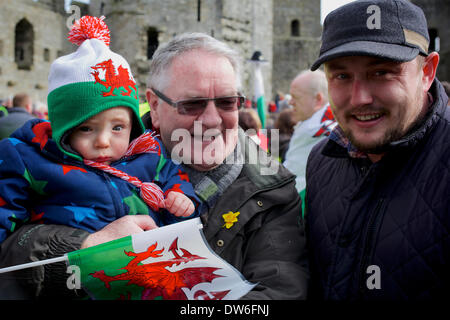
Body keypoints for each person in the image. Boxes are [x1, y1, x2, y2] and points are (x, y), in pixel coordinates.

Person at [0, 32, 308, 300]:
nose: (213, 119)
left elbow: (279, 291)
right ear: (155, 106)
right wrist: (88, 245)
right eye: (193, 104)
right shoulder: (64, 160)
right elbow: (9, 255)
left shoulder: (272, 189)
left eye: (227, 102)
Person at [0, 17, 200, 298]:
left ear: (132, 125)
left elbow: (173, 180)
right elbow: (5, 216)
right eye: (86, 128)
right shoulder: (29, 160)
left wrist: (181, 198)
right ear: (63, 129)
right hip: (69, 285)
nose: (104, 141)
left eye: (118, 127)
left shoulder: (149, 154)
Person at [305, 0, 449, 300]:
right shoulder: (321, 162)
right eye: (342, 76)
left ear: (427, 72)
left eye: (382, 72)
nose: (359, 98)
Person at [283, 70, 336, 205]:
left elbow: (292, 178)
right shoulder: (312, 125)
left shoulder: (322, 132)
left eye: (296, 97)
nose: (290, 102)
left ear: (318, 99)